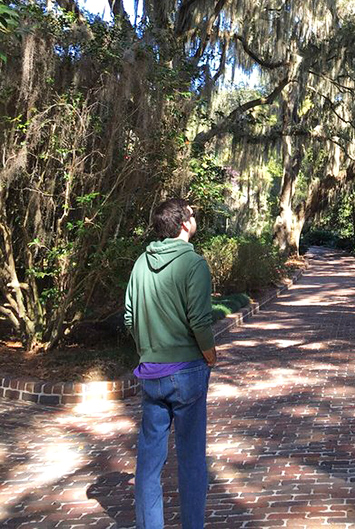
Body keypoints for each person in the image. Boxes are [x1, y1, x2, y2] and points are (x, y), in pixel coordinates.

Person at [125, 198, 217, 529]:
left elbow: (129, 317)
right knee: (191, 459)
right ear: (183, 224)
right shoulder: (194, 265)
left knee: (149, 463)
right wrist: (210, 354)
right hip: (188, 372)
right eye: (192, 214)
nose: (196, 218)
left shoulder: (139, 265)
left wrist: (148, 349)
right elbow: (200, 322)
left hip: (150, 372)